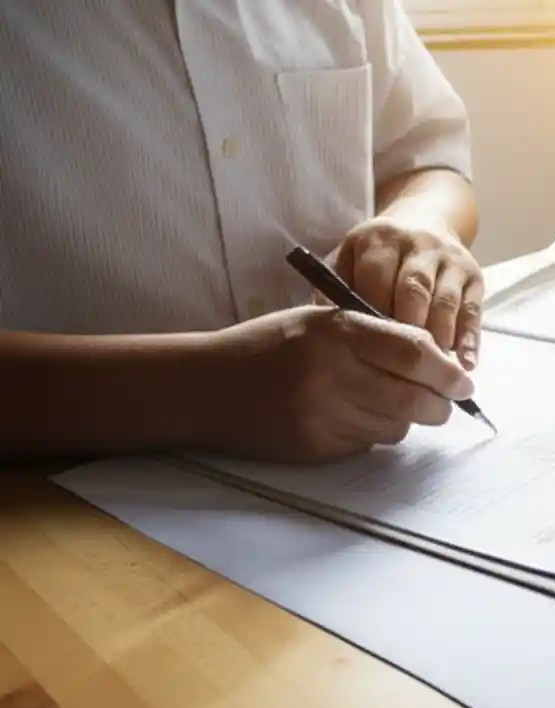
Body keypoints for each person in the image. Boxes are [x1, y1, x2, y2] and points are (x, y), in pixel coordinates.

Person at [0, 2, 483, 463]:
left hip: (355, 494)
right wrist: (206, 391)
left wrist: (421, 219)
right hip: (56, 517)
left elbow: (429, 155)